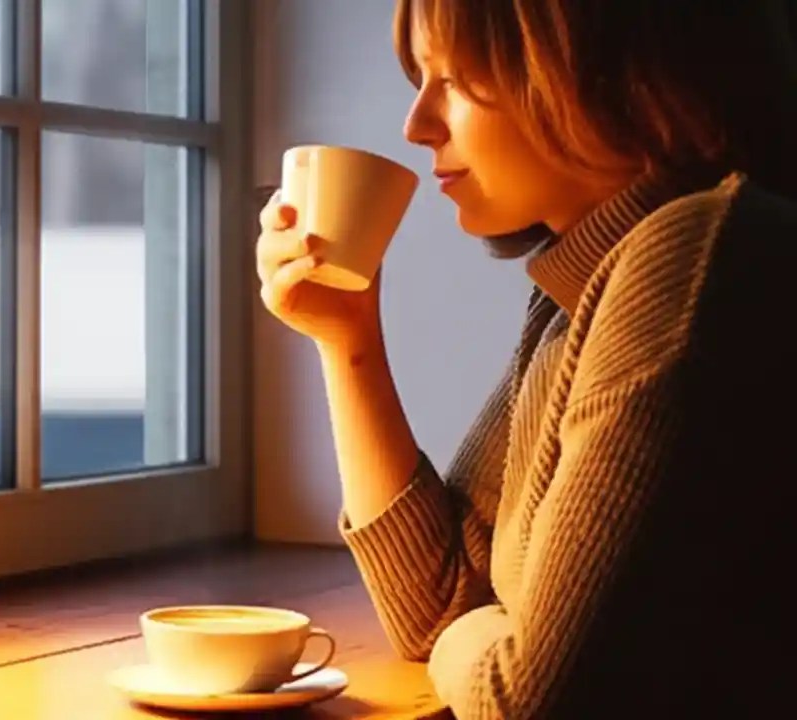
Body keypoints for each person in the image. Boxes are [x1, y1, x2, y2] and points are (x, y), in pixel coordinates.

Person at [256, 1, 797, 717]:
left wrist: (477, 632)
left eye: (453, 77)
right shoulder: (572, 303)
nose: (416, 125)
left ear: (602, 68)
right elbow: (434, 604)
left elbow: (530, 700)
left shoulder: (693, 260)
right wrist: (346, 337)